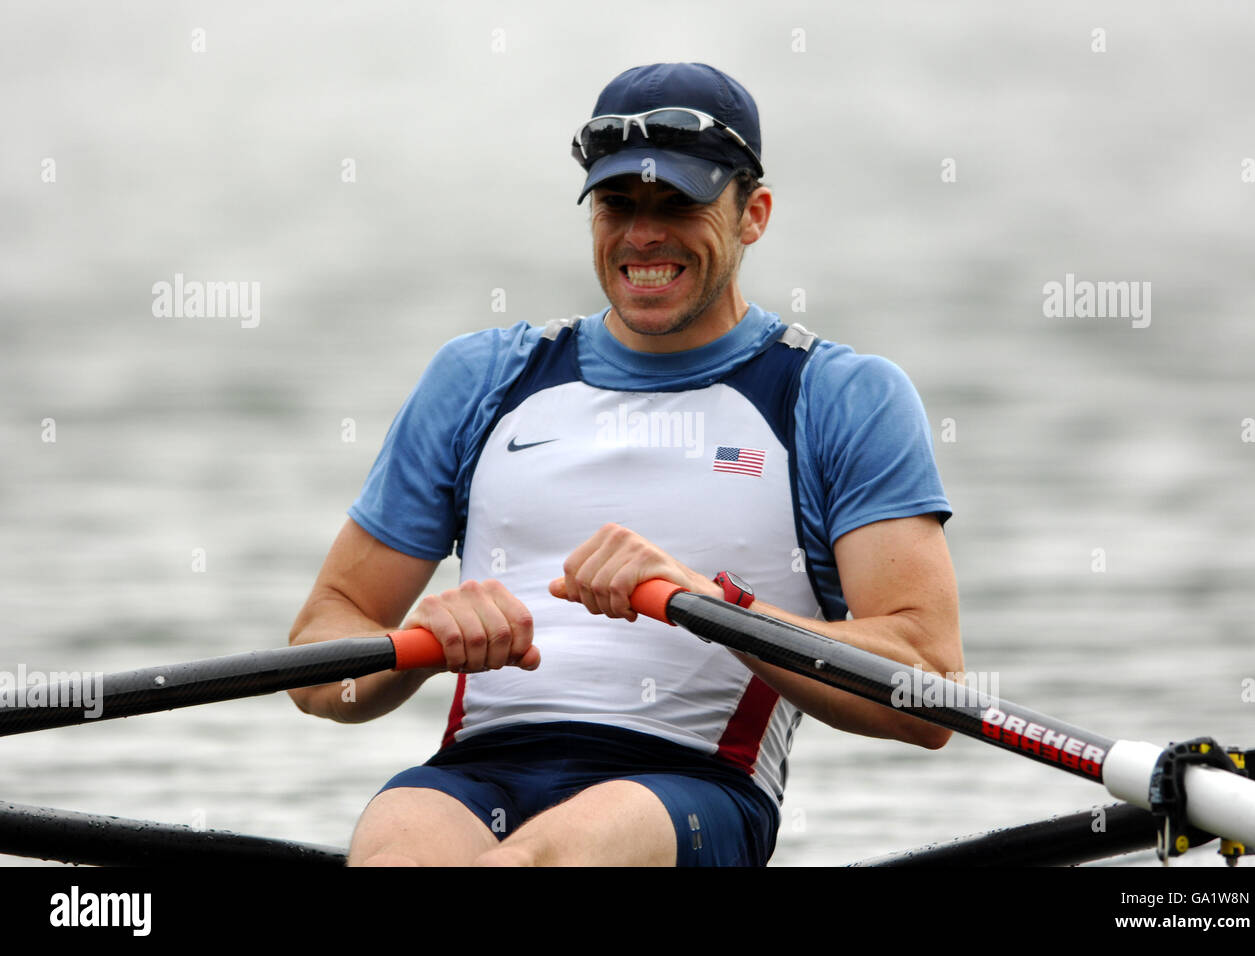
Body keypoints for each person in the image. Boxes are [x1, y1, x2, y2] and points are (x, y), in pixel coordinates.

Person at [287, 62, 962, 867]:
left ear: (754, 215)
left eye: (678, 203)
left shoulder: (840, 397)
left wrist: (711, 604)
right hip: (473, 778)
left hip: (692, 787)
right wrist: (414, 644)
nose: (644, 235)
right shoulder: (481, 379)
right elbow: (316, 666)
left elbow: (930, 696)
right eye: (619, 205)